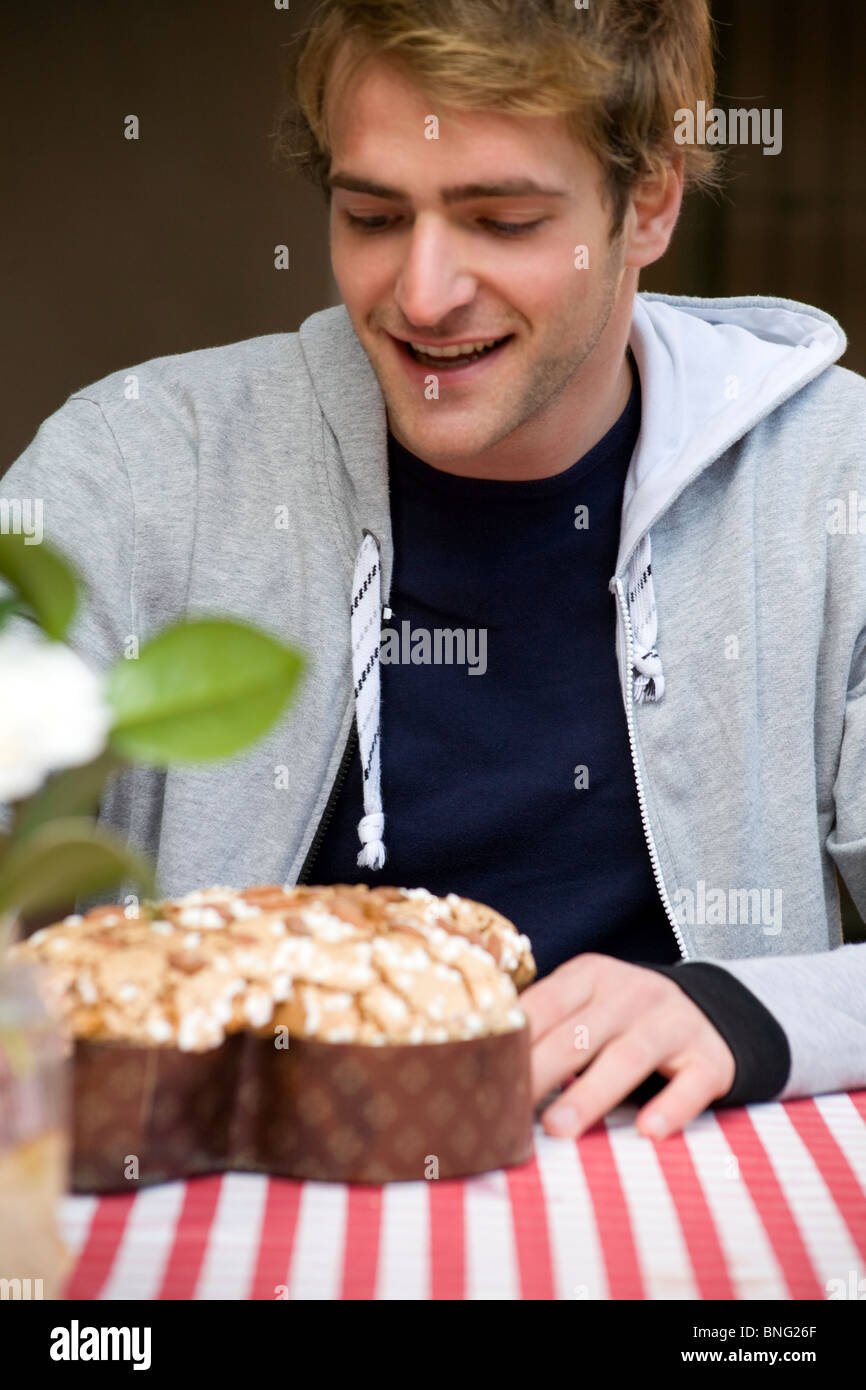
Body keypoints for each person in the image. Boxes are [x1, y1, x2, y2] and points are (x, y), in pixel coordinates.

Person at [3, 0, 865, 1142]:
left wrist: (747, 1011)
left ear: (648, 200)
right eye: (369, 215)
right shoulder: (138, 460)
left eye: (501, 220)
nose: (421, 295)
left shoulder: (829, 479)